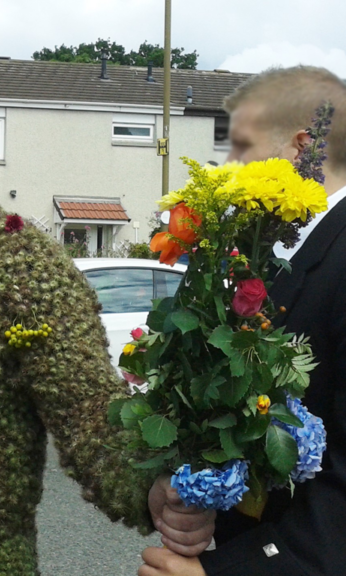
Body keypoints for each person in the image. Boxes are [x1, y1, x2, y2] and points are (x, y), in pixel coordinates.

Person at [140, 66, 346, 576]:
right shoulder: (274, 251)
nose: (228, 164)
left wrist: (227, 572)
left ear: (302, 147)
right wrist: (181, 487)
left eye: (241, 147)